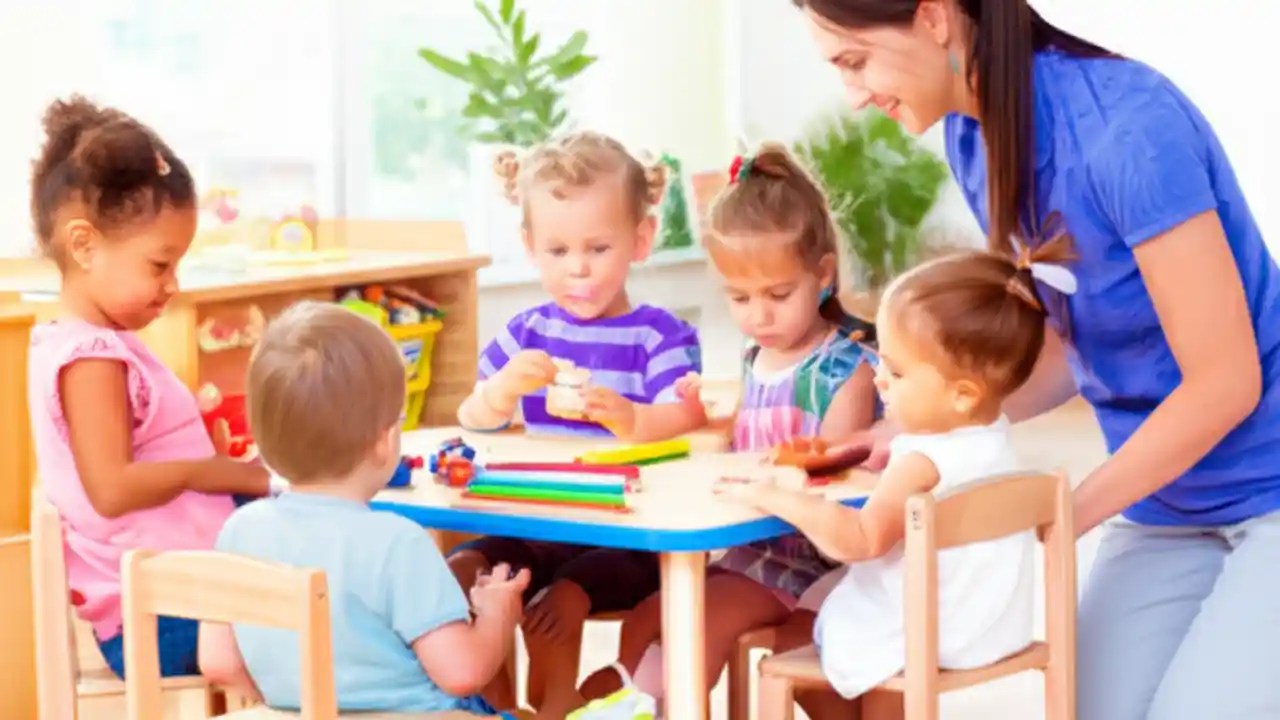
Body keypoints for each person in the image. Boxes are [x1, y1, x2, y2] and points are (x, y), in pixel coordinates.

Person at [791, 1, 1280, 717]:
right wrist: (929, 421)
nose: (854, 94)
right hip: (1167, 507)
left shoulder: (1127, 130)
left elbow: (1226, 382)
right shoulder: (972, 138)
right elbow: (1054, 342)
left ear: (933, 16)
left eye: (854, 61)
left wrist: (1058, 515)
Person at [578, 144, 879, 708]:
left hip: (807, 560)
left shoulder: (845, 369)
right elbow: (746, 433)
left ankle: (649, 699)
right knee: (645, 620)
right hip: (744, 547)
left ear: (823, 276)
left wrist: (779, 471)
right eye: (739, 297)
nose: (758, 315)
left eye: (777, 295)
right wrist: (710, 416)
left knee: (697, 624)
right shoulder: (754, 355)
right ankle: (631, 696)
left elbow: (840, 478)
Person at [450, 130, 706, 717]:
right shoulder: (526, 333)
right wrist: (499, 392)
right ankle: (490, 706)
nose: (579, 271)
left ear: (640, 241)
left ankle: (556, 705)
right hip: (534, 522)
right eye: (558, 252)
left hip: (627, 534)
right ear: (530, 246)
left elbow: (690, 414)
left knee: (557, 603)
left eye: (598, 248)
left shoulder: (658, 336)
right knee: (460, 572)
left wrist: (634, 418)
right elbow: (471, 419)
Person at [25, 95, 269, 679]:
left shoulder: (97, 343)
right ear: (84, 246)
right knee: (338, 616)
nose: (172, 285)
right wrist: (217, 472)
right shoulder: (89, 358)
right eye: (159, 265)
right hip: (161, 620)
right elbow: (111, 489)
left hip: (177, 601)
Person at [200, 301, 527, 717]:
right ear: (386, 441)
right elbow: (462, 672)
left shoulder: (238, 531)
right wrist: (497, 615)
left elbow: (219, 664)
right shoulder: (399, 541)